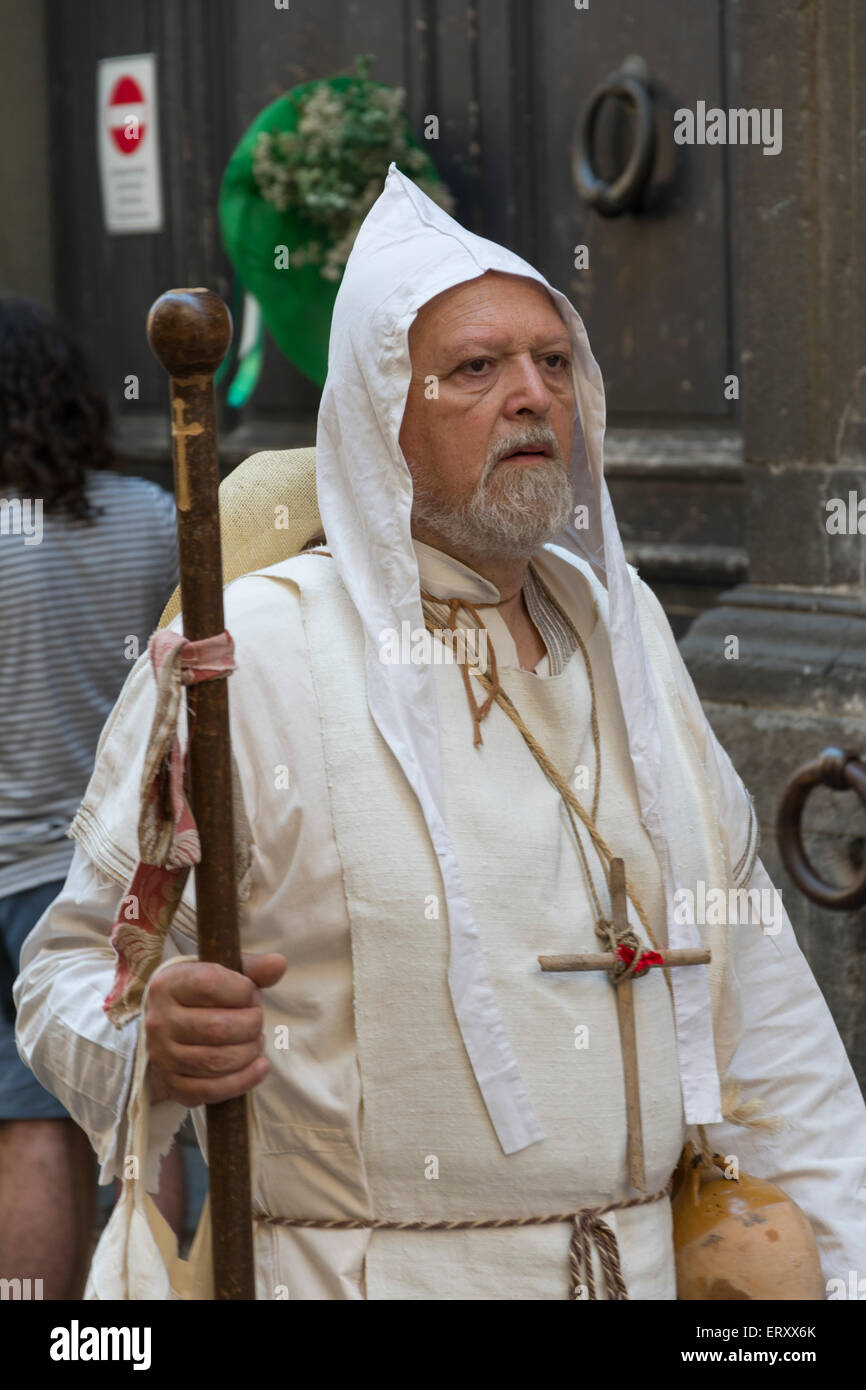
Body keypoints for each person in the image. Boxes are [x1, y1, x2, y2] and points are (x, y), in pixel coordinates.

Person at [14, 168, 866, 1299]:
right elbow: (70, 973)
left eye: (551, 363)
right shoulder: (252, 654)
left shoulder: (625, 629)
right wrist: (151, 1044)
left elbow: (759, 1000)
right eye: (475, 368)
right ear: (381, 418)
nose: (530, 395)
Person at [0, 295, 184, 1298]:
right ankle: (150, 1321)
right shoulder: (150, 520)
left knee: (27, 1123)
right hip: (110, 872)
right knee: (136, 1106)